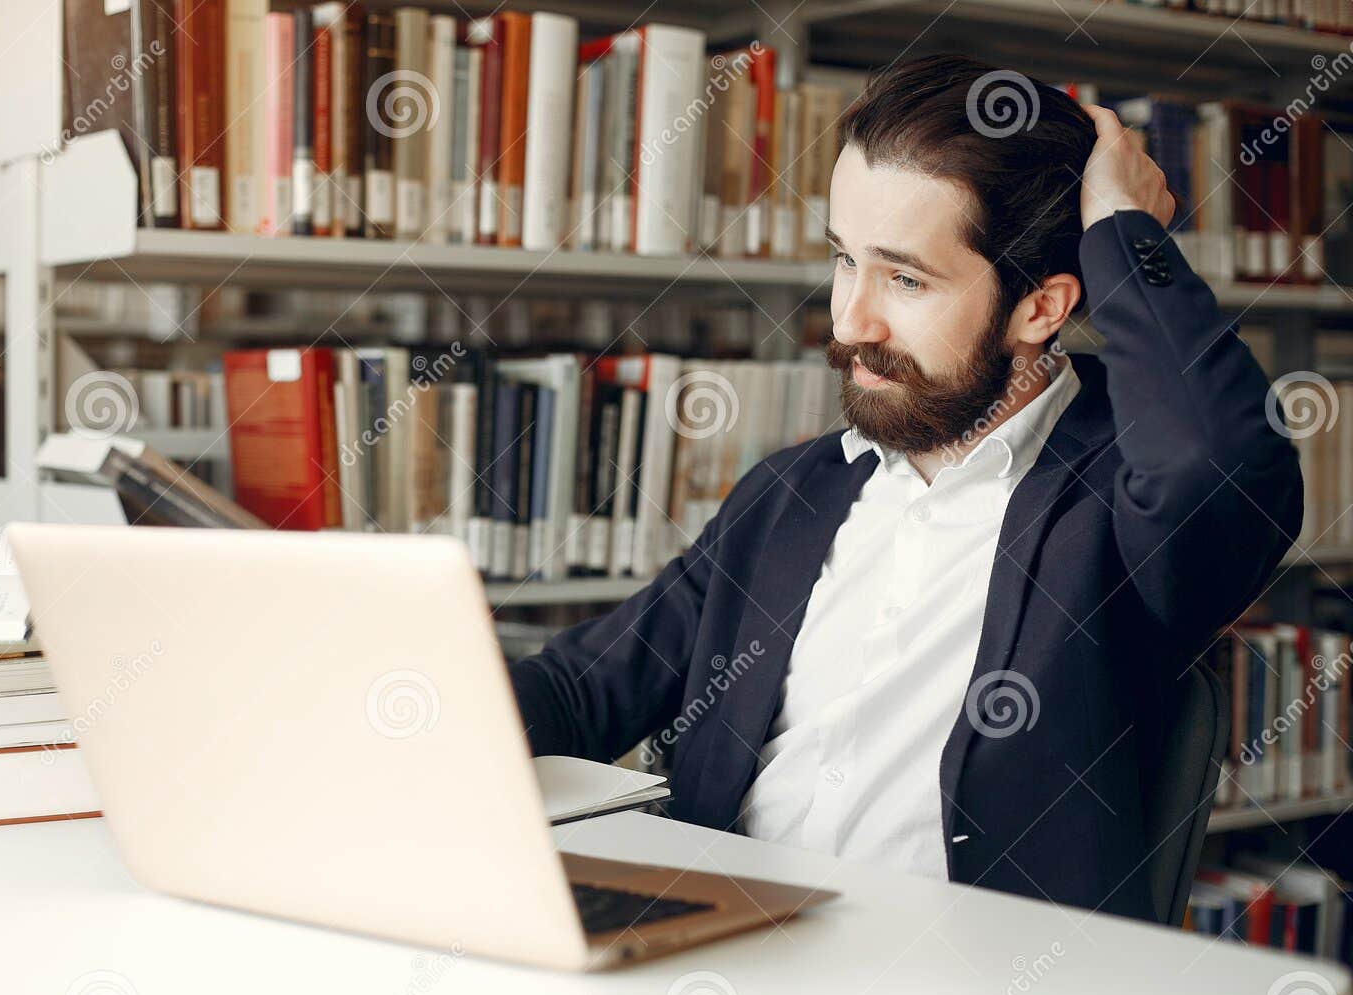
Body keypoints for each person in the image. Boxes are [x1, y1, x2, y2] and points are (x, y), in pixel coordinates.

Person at [508, 54, 1303, 921]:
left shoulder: (1116, 508)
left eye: (905, 278)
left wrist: (1121, 231)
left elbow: (1215, 460)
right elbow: (581, 689)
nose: (850, 321)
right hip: (718, 970)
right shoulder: (794, 492)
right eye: (845, 261)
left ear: (1040, 307)